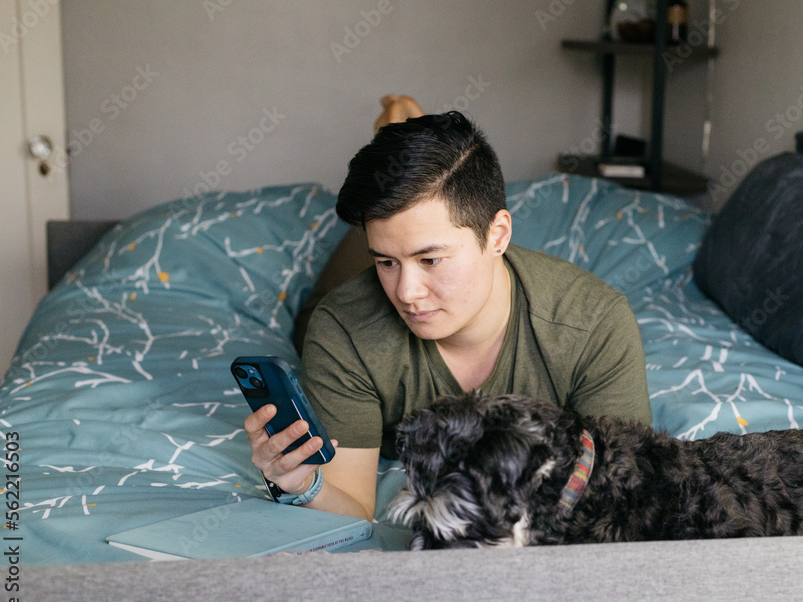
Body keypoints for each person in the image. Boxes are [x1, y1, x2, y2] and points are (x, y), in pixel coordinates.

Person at [245, 96, 651, 520]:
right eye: (385, 263)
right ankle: (398, 150)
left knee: (400, 234)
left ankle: (400, 139)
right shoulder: (343, 326)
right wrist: (301, 485)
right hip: (346, 310)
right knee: (323, 307)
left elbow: (620, 502)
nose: (406, 293)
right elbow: (353, 509)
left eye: (431, 260)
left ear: (498, 235)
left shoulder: (595, 324)